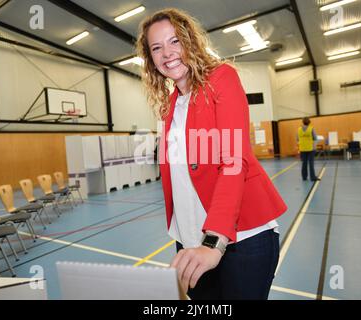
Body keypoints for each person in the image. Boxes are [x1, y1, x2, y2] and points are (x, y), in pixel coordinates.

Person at [136, 8, 287, 300]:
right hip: (190, 239)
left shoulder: (221, 79)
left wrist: (214, 240)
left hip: (241, 237)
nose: (167, 53)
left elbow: (233, 161)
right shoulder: (168, 107)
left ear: (190, 41)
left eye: (174, 41)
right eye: (157, 48)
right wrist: (187, 239)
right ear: (151, 59)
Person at [297, 117, 320, 181]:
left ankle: (304, 177)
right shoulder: (311, 129)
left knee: (304, 163)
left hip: (302, 149)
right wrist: (314, 147)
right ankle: (312, 177)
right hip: (310, 149)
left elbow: (297, 139)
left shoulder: (299, 129)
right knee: (311, 163)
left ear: (303, 122)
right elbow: (315, 138)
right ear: (309, 122)